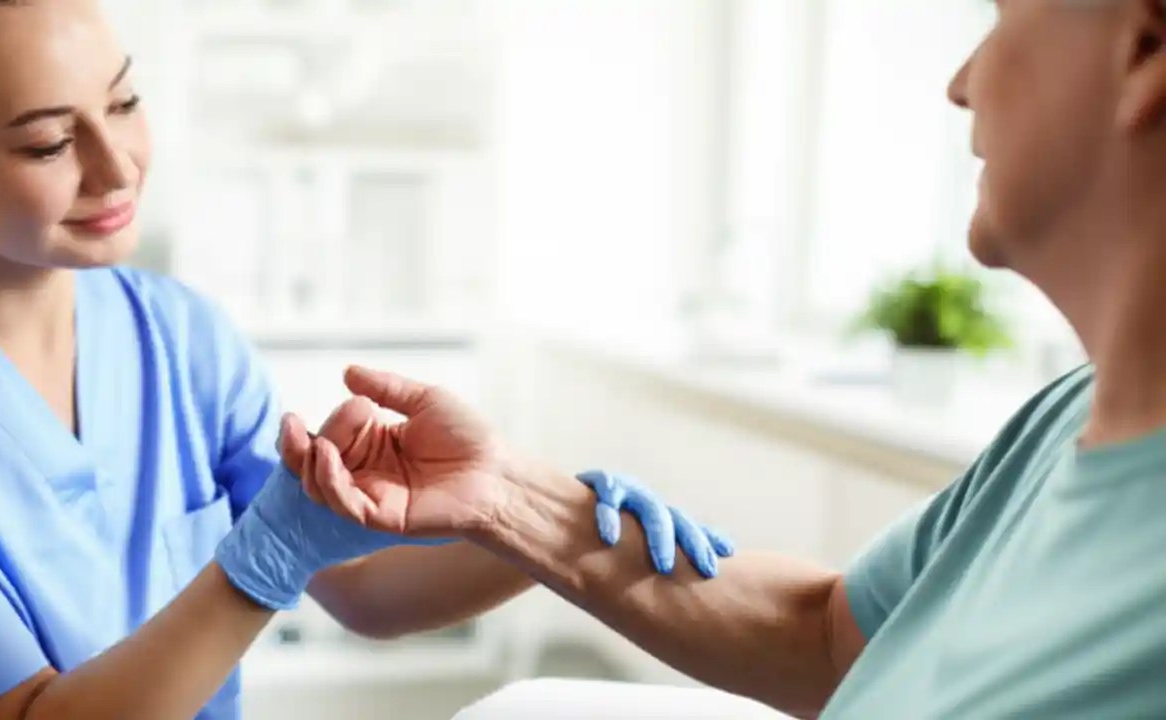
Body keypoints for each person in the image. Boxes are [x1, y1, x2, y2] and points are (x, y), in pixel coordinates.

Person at [283, 0, 1166, 717]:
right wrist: (515, 501)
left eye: (1003, 17)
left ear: (1146, 53)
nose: (961, 83)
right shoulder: (1059, 424)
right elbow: (830, 640)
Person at [0, 1, 733, 718]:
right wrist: (263, 562)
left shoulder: (179, 337)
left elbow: (362, 588)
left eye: (124, 102)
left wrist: (540, 525)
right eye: (47, 145)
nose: (117, 168)